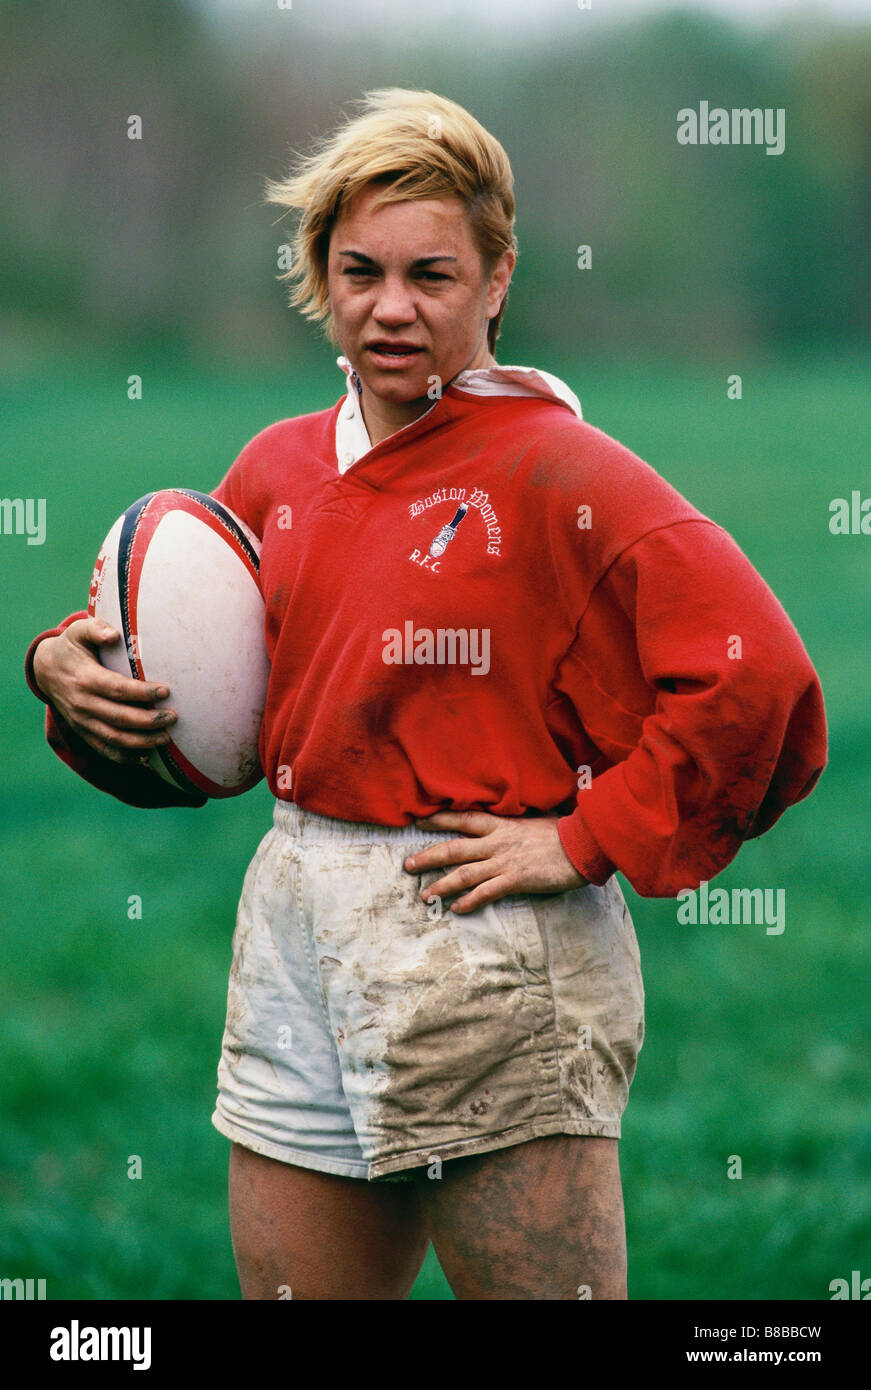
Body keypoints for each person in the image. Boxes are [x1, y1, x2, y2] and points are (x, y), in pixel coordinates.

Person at [24, 88, 827, 1301]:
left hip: (492, 946)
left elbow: (755, 677)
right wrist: (57, 665)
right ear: (319, 276)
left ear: (497, 279)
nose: (390, 306)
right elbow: (182, 667)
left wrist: (585, 836)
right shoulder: (279, 466)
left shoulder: (562, 468)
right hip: (295, 922)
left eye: (432, 274)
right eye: (359, 270)